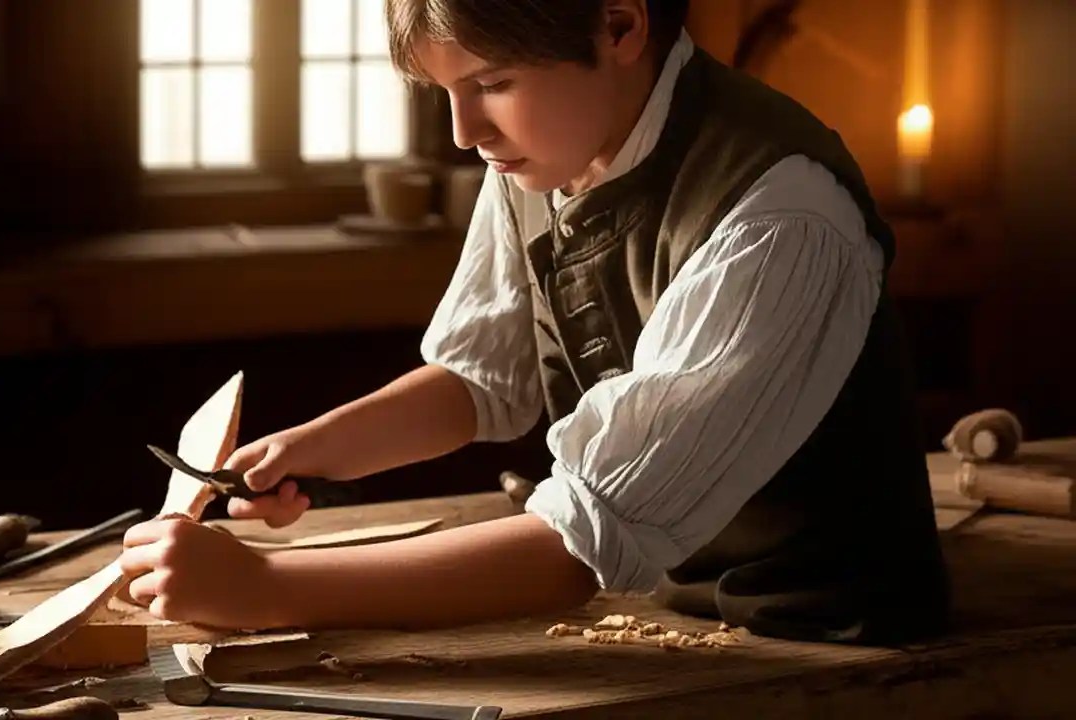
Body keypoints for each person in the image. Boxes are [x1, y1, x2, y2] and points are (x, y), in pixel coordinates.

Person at [119, 0, 950, 645]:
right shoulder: (548, 150)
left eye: (490, 83)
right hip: (659, 608)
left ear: (619, 24)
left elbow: (576, 546)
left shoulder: (779, 219)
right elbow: (481, 381)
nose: (464, 132)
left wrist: (267, 591)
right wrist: (313, 448)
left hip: (818, 635)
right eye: (446, 92)